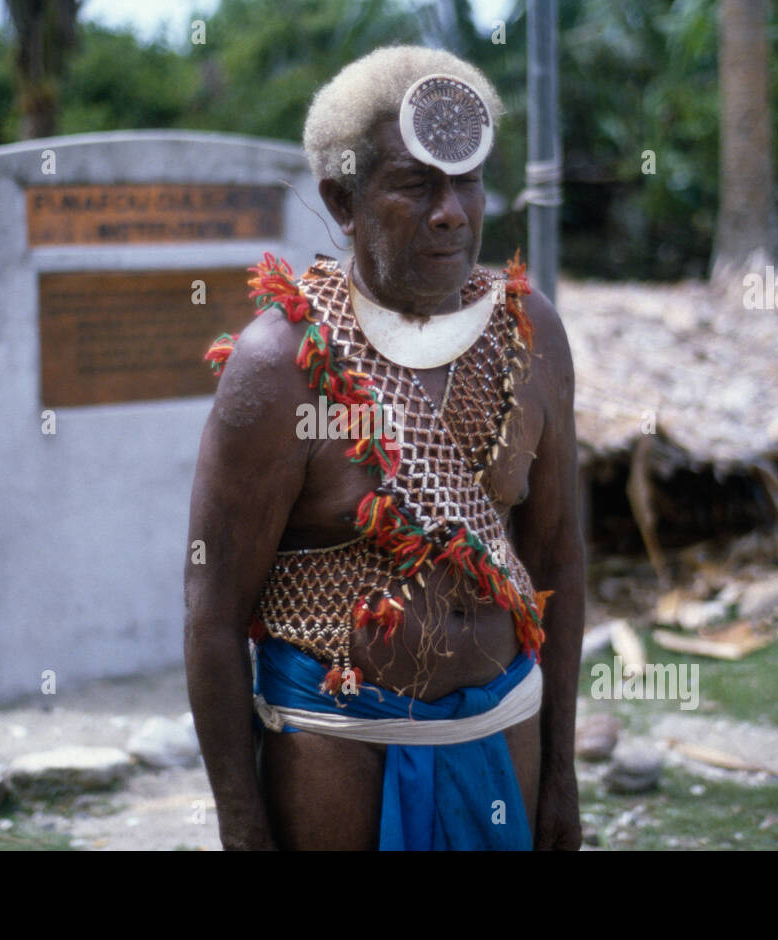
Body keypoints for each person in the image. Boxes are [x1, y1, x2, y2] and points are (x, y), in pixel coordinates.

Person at [184, 45, 585, 851]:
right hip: (337, 755)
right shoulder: (279, 365)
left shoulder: (528, 329)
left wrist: (561, 777)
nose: (452, 212)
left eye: (466, 180)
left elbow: (557, 557)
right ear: (343, 199)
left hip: (504, 732)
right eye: (414, 184)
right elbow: (212, 613)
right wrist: (243, 827)